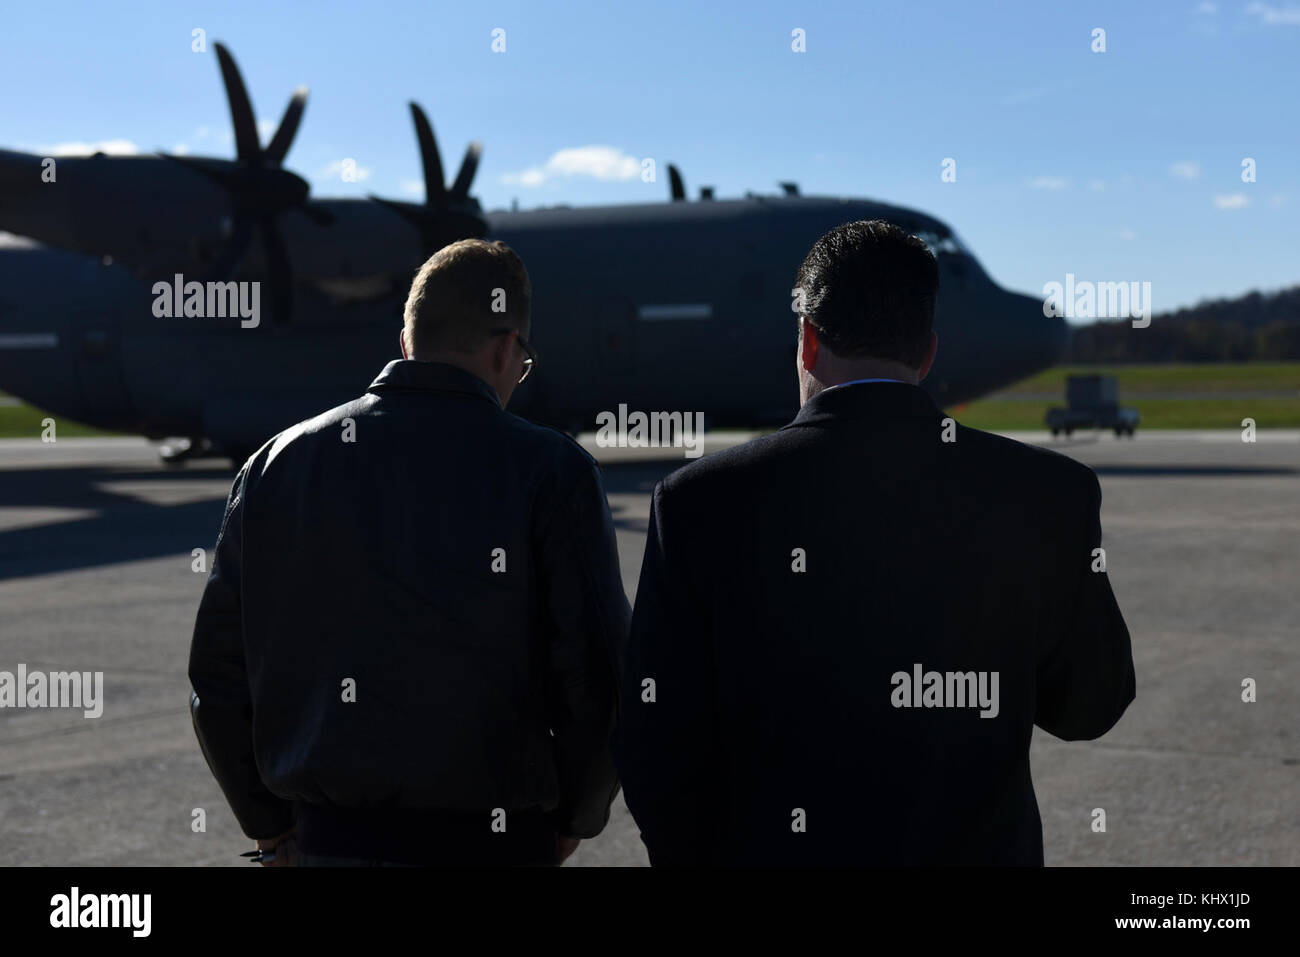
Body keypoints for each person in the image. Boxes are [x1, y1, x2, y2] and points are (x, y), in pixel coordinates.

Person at [613, 220, 1135, 866]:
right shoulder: (1050, 493)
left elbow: (653, 745)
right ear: (928, 353)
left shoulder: (697, 503)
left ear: (806, 343)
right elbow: (1093, 704)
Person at [188, 238, 629, 867]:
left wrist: (268, 823)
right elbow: (601, 679)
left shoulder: (276, 464)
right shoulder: (553, 472)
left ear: (406, 341)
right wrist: (573, 820)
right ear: (508, 348)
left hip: (326, 844)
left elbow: (216, 673)